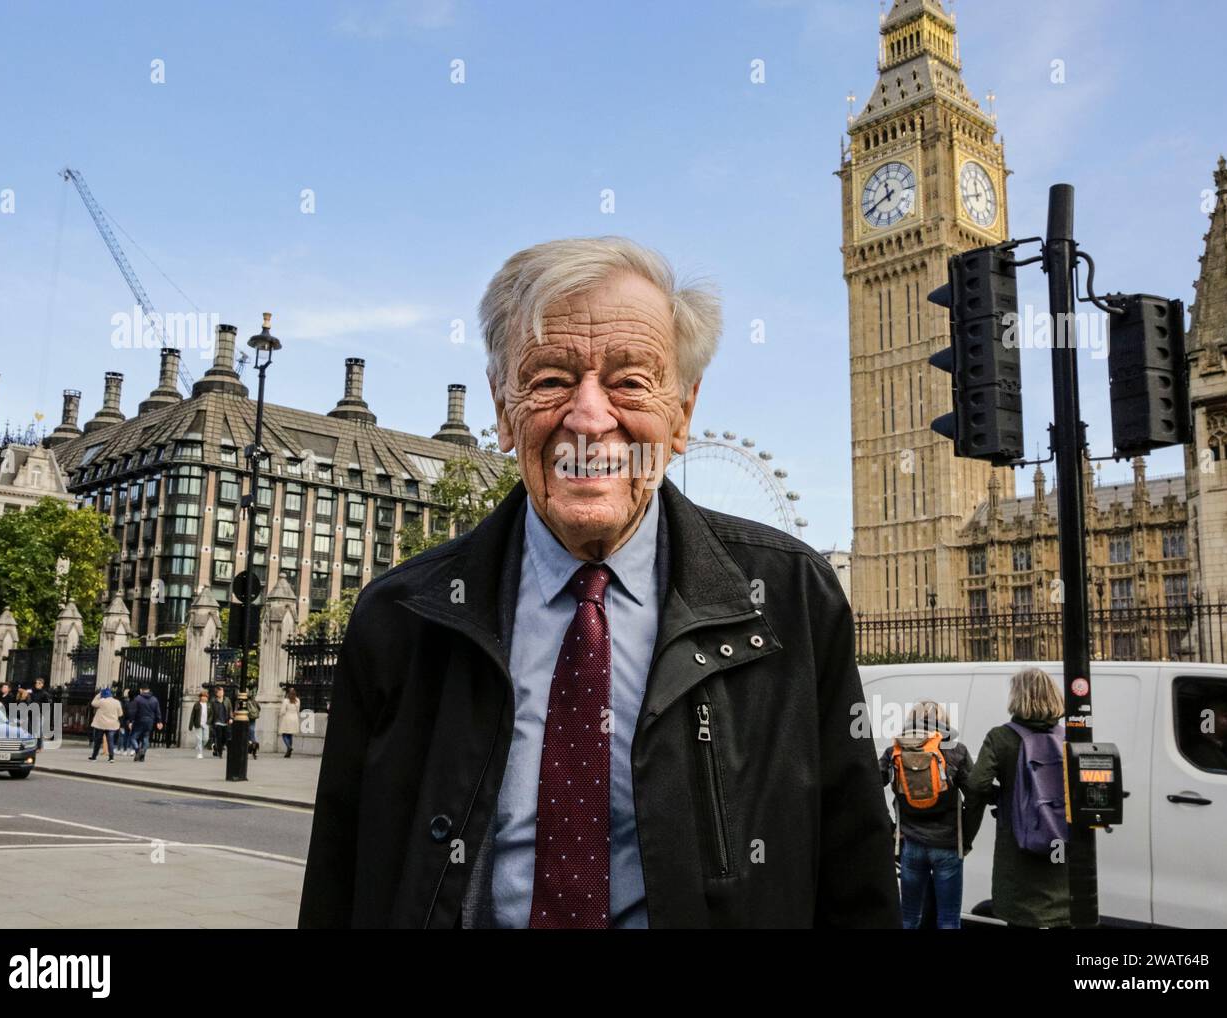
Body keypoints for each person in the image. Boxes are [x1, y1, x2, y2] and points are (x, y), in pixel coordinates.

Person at [300, 237, 899, 929]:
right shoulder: (401, 618)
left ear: (683, 411)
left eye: (631, 381)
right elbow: (338, 886)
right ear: (501, 406)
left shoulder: (792, 598)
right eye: (551, 378)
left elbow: (856, 877)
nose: (589, 417)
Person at [962, 666, 1069, 929]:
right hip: (1062, 841)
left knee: (1021, 915)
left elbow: (976, 784)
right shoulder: (1070, 737)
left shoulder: (1001, 737)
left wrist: (999, 796)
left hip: (1018, 842)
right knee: (1062, 913)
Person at [879, 700, 980, 929]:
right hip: (948, 845)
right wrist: (965, 837)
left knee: (909, 917)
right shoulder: (956, 750)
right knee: (948, 918)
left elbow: (869, 786)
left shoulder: (894, 750)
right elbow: (975, 795)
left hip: (910, 844)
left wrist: (892, 829)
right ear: (944, 721)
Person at [128, 684, 165, 762]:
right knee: (146, 737)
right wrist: (159, 721)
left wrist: (131, 721)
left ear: (141, 690)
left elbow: (133, 711)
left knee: (133, 737)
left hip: (139, 720)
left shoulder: (138, 699)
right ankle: (143, 754)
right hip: (150, 721)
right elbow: (158, 711)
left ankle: (138, 751)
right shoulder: (154, 699)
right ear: (149, 690)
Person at [88, 687, 123, 762]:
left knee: (98, 741)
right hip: (112, 724)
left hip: (101, 724)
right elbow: (120, 714)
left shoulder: (102, 701)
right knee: (110, 741)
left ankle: (94, 756)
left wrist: (98, 694)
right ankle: (111, 757)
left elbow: (93, 703)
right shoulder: (117, 702)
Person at [209, 685, 232, 757]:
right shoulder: (213, 701)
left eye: (222, 691)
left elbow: (230, 709)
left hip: (225, 722)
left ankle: (217, 747)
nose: (222, 693)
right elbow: (210, 712)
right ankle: (220, 752)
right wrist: (210, 721)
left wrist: (231, 718)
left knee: (225, 738)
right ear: (217, 693)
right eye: (220, 692)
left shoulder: (227, 700)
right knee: (219, 737)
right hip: (217, 722)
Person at [28, 677, 52, 750]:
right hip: (31, 713)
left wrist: (39, 707)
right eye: (36, 683)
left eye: (39, 683)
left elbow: (48, 704)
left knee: (38, 730)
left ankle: (39, 746)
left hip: (39, 714)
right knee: (31, 730)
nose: (37, 684)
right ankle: (32, 745)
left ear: (42, 685)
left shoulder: (44, 694)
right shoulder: (32, 692)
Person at [278, 687, 301, 758]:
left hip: (287, 718)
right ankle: (288, 753)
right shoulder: (297, 700)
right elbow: (298, 710)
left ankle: (289, 747)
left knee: (284, 734)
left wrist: (280, 715)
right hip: (294, 718)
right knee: (290, 735)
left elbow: (283, 711)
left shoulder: (286, 701)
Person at [188, 690, 211, 759]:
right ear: (200, 697)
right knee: (199, 739)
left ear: (207, 698)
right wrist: (191, 725)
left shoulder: (209, 705)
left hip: (206, 724)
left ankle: (199, 746)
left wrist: (209, 722)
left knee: (206, 739)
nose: (204, 698)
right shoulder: (196, 704)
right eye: (202, 696)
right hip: (198, 724)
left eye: (205, 697)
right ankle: (200, 753)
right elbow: (193, 715)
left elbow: (211, 715)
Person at [115, 687, 134, 756]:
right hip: (132, 720)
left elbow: (122, 714)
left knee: (123, 735)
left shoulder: (123, 702)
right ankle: (131, 749)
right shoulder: (135, 702)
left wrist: (121, 723)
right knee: (132, 736)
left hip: (126, 721)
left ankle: (122, 749)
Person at [246, 693, 261, 760]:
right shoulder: (254, 701)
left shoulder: (244, 701)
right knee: (251, 731)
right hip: (253, 718)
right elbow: (259, 708)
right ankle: (254, 746)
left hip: (245, 718)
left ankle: (252, 745)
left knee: (248, 733)